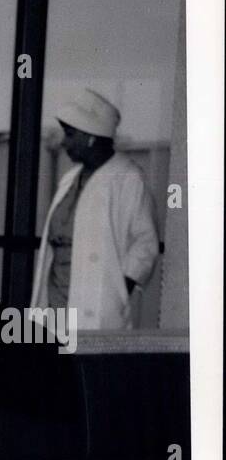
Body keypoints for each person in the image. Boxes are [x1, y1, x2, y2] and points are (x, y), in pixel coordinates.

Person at [31, 89, 160, 330]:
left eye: (70, 135)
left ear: (91, 136)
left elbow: (146, 242)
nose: (64, 142)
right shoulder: (70, 178)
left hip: (96, 309)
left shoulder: (128, 178)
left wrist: (119, 287)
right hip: (56, 301)